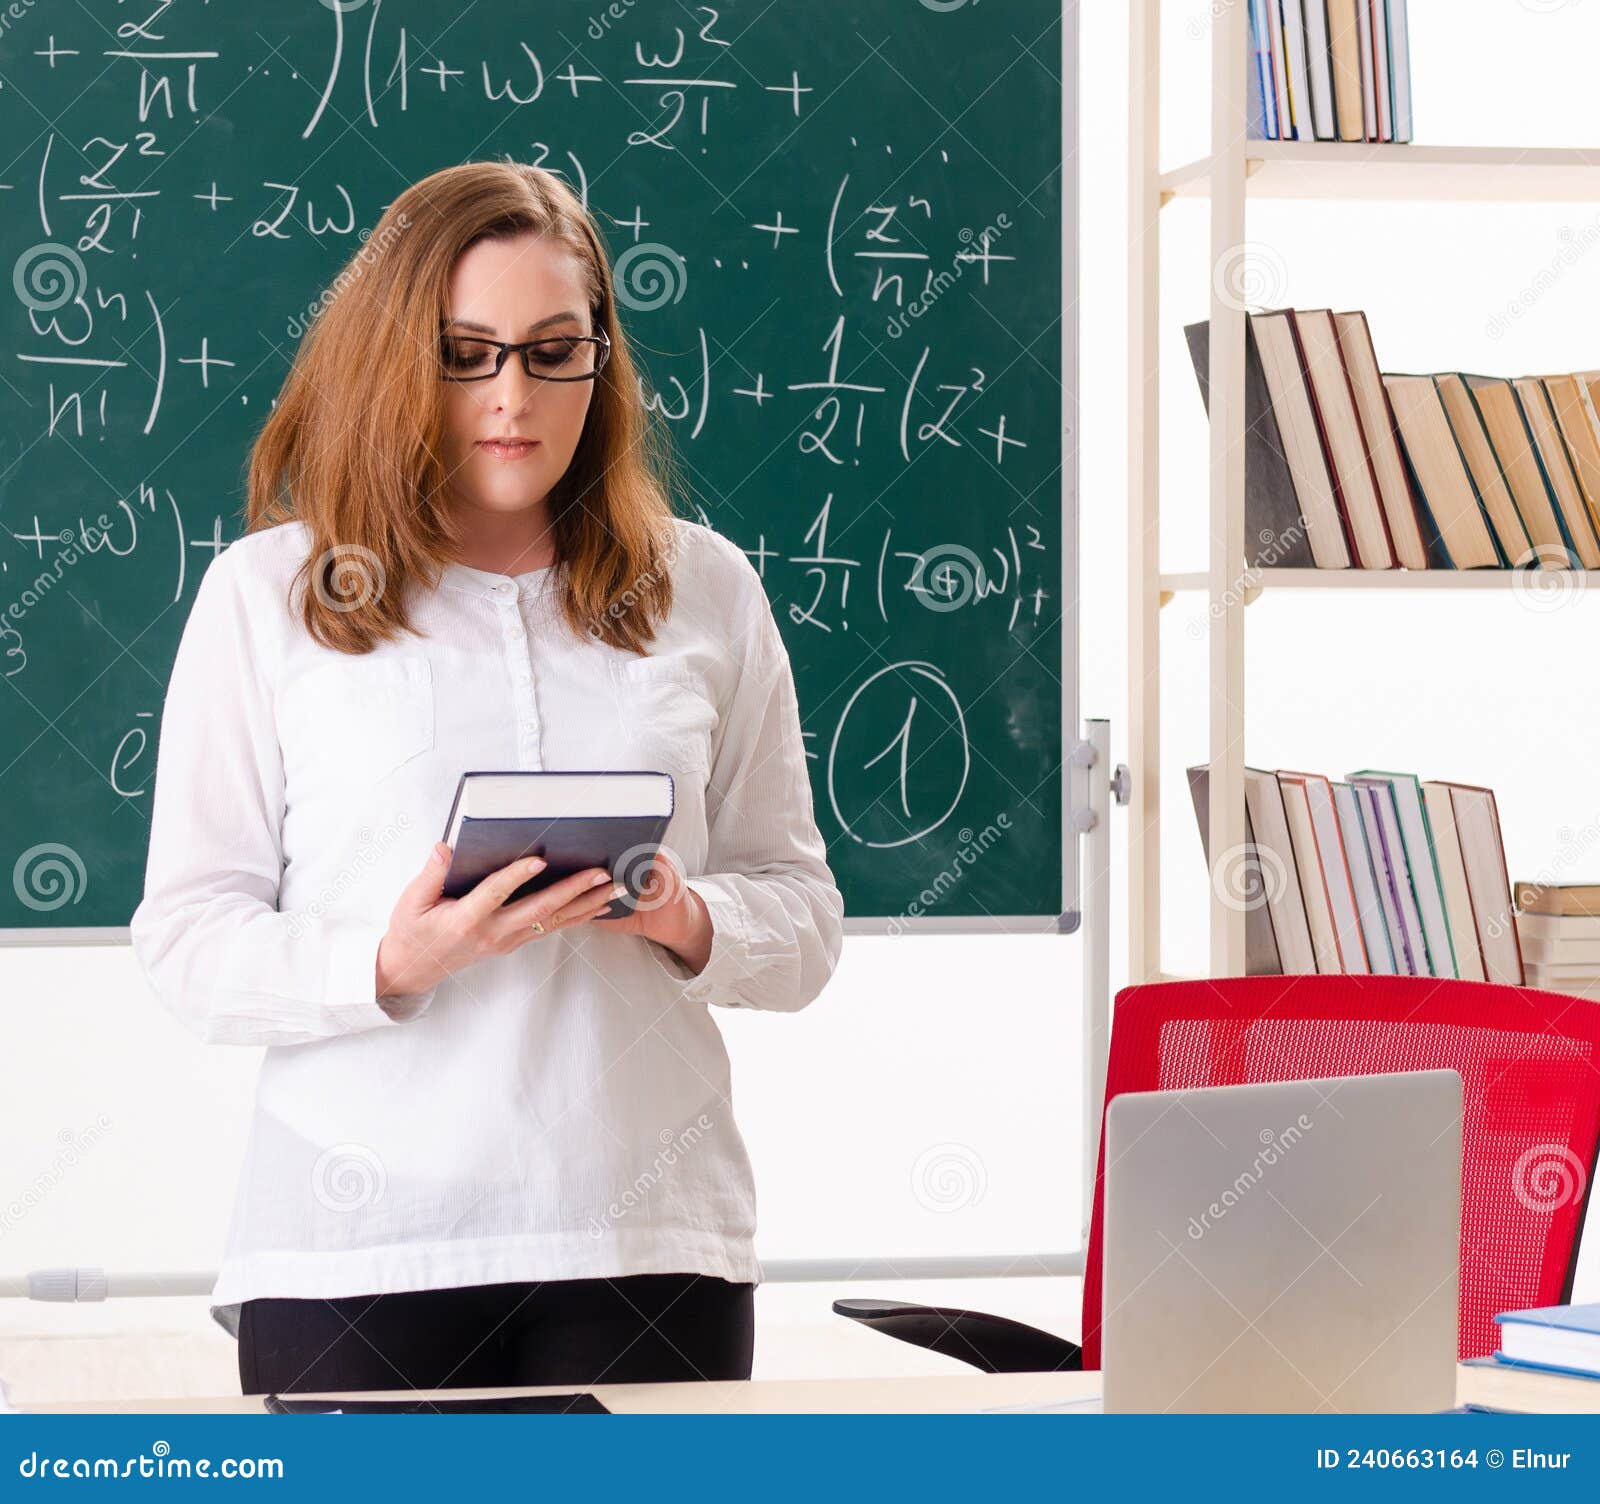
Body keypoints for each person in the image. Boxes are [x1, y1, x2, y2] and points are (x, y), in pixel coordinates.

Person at [129, 159, 845, 1397]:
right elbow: (188, 938)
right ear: (395, 360)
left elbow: (804, 918)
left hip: (648, 1239)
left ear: (599, 360)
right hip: (358, 1248)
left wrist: (687, 916)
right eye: (465, 355)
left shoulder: (705, 586)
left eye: (554, 351)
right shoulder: (268, 596)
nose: (513, 397)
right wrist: (390, 959)